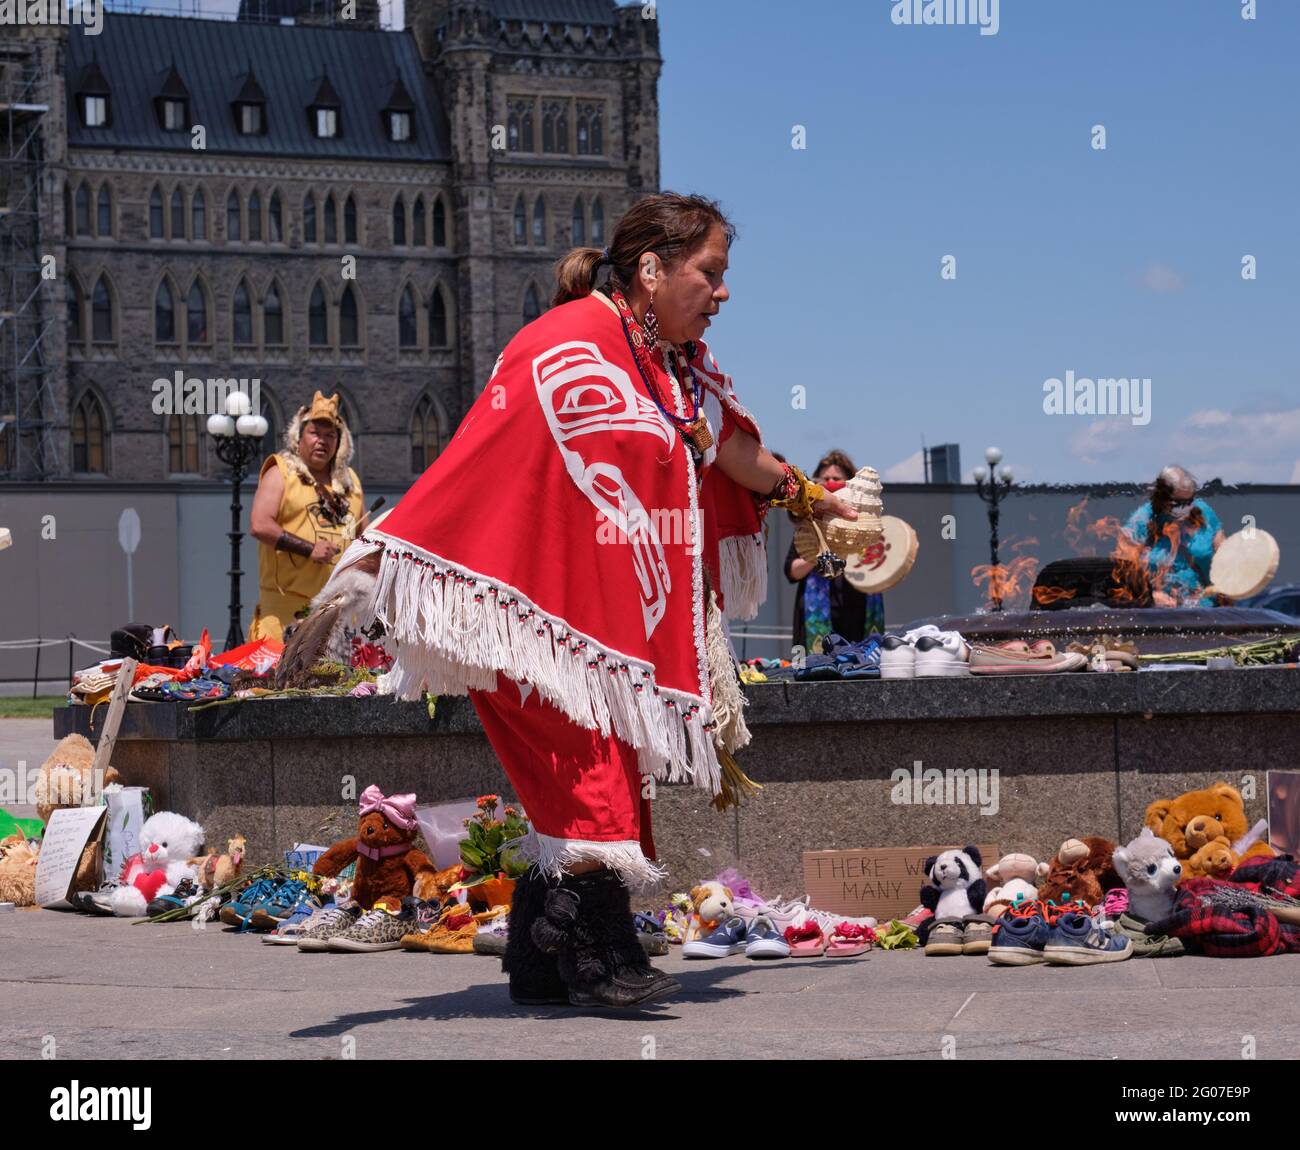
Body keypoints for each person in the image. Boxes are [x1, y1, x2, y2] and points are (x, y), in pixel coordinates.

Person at [307, 192, 855, 1009]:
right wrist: (381, 553)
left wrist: (814, 496)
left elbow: (733, 451)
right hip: (535, 620)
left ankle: (542, 963)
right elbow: (476, 459)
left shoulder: (670, 366)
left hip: (606, 630)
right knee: (593, 783)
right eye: (709, 273)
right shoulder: (564, 346)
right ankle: (594, 956)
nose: (723, 293)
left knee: (600, 785)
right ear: (650, 269)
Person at [248, 391, 365, 641]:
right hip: (285, 615)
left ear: (339, 443)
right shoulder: (280, 471)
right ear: (298, 437)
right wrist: (309, 548)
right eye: (315, 433)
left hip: (339, 614)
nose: (322, 441)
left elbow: (364, 538)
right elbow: (259, 524)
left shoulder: (350, 483)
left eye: (330, 435)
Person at [783, 450, 884, 654]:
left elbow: (879, 566)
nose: (830, 482)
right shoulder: (809, 525)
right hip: (815, 613)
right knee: (813, 671)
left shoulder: (864, 525)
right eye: (825, 478)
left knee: (860, 665)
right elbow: (791, 572)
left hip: (858, 610)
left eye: (836, 478)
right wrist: (819, 551)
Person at [1122, 464, 1225, 607]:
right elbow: (1123, 572)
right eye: (1178, 503)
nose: (1186, 508)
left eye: (1190, 501)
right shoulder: (1141, 521)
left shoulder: (1204, 512)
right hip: (1160, 609)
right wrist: (1151, 596)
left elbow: (1225, 552)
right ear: (1161, 498)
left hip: (1205, 604)